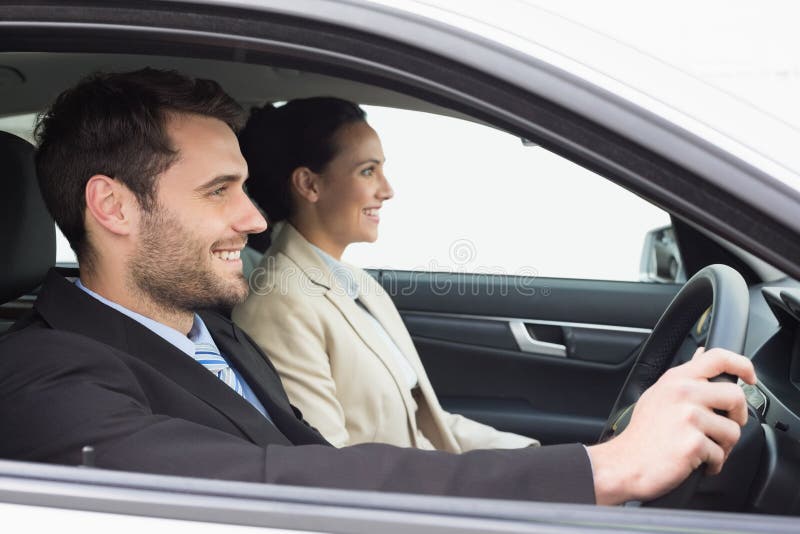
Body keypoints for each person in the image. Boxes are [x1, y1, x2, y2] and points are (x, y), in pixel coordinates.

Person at [0, 68, 756, 507]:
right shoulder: (44, 378)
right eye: (219, 191)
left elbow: (317, 452)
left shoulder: (206, 328)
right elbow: (286, 482)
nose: (254, 217)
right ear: (113, 206)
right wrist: (604, 469)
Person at [232, 98, 537, 451]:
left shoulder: (355, 282)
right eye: (367, 171)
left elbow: (428, 425)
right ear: (309, 185)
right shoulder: (278, 307)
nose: (387, 190)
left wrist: (539, 459)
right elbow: (329, 466)